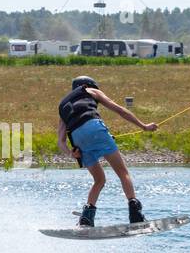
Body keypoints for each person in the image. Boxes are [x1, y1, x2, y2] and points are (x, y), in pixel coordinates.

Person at [57, 75, 157, 226]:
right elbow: (120, 110)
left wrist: (71, 154)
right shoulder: (90, 90)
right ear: (88, 85)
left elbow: (61, 141)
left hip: (78, 140)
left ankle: (86, 219)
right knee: (123, 173)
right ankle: (135, 214)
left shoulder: (63, 106)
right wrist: (144, 126)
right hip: (94, 127)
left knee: (99, 180)